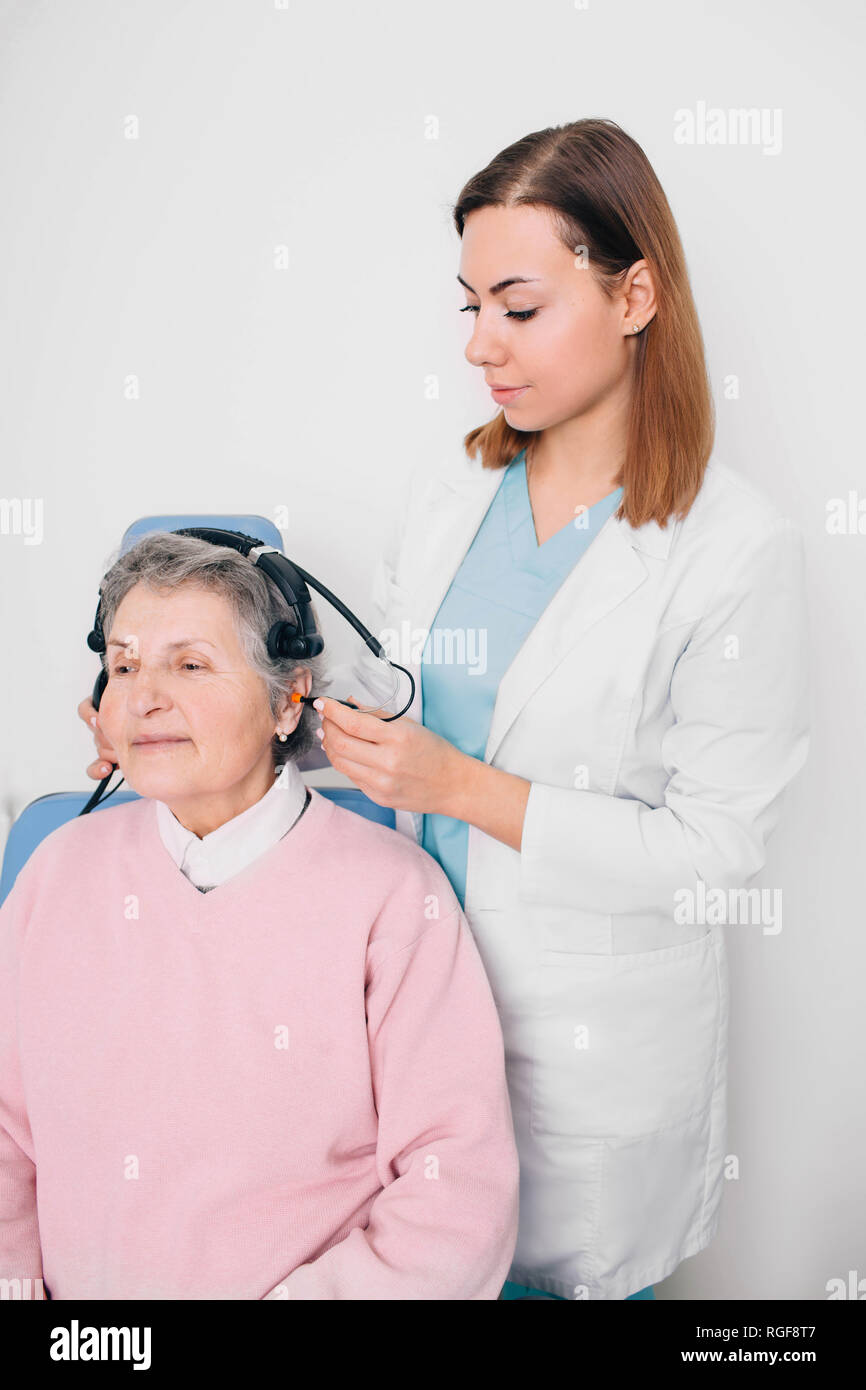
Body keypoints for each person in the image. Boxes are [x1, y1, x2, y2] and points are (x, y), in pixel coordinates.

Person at [277, 118, 809, 1300]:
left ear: (634, 294)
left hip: (585, 1063)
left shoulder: (733, 554)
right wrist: (211, 709)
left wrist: (465, 790)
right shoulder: (451, 489)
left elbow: (717, 853)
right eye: (466, 306)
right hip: (413, 1019)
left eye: (516, 308)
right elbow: (396, 720)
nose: (478, 345)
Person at [0, 530, 520, 1300]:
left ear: (287, 698)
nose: (143, 697)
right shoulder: (57, 872)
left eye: (190, 664)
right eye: (124, 664)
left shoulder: (393, 897)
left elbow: (458, 1187)